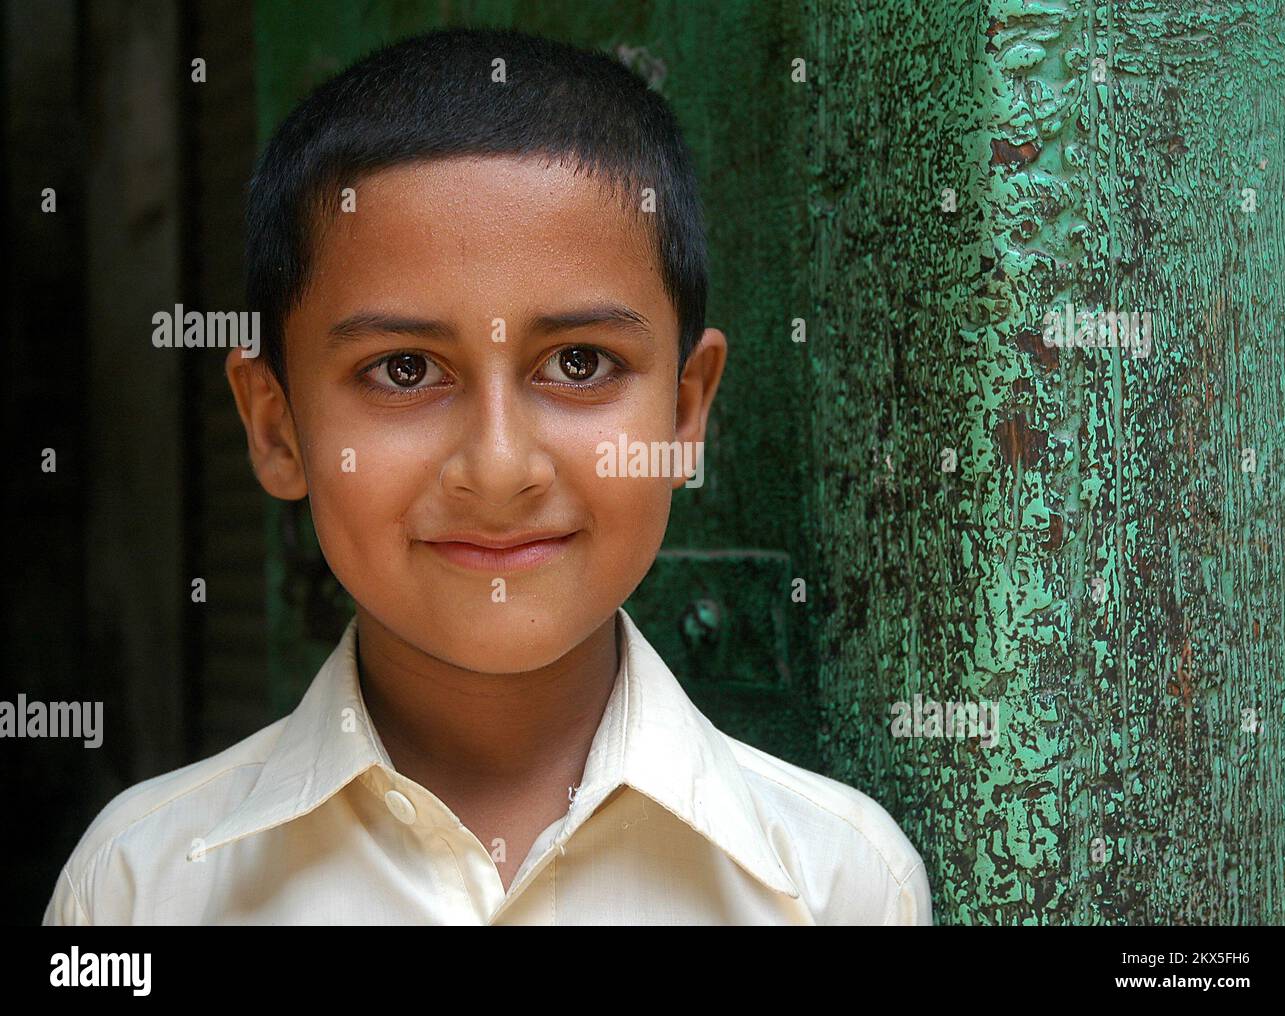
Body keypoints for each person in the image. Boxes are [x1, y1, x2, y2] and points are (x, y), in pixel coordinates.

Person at [43, 26, 930, 925]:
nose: (499, 469)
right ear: (276, 429)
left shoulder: (836, 885)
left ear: (685, 411)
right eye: (404, 370)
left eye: (580, 363)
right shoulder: (141, 887)